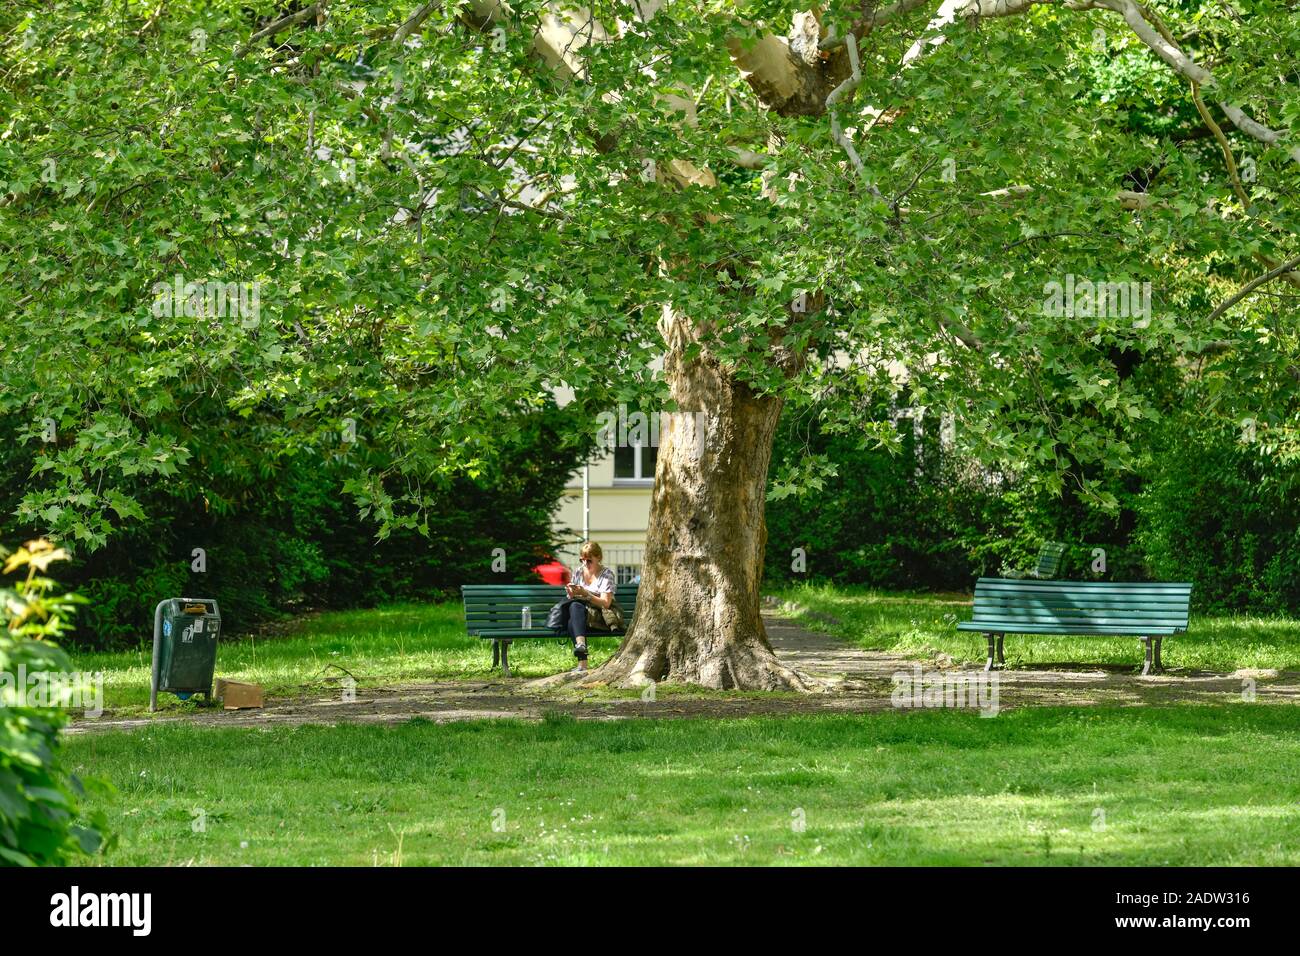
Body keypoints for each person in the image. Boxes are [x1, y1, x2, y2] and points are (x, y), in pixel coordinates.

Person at [562, 541, 619, 672]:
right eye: (582, 560)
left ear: (598, 558)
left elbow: (606, 603)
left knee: (575, 610)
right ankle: (581, 651)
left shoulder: (606, 574)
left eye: (589, 561)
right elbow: (573, 598)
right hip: (581, 615)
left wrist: (585, 594)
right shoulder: (578, 572)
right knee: (574, 609)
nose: (585, 564)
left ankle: (582, 662)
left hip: (600, 616)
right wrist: (571, 593)